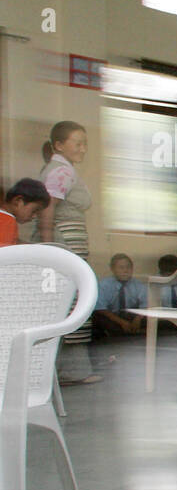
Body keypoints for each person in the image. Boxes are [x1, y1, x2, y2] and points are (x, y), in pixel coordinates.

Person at [38, 120, 101, 385]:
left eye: (84, 143)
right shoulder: (61, 171)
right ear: (59, 145)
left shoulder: (63, 169)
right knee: (73, 302)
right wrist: (50, 248)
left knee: (70, 301)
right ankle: (71, 370)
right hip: (66, 241)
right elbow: (49, 208)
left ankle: (66, 369)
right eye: (78, 143)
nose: (83, 148)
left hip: (69, 241)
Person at [92, 253, 147, 336]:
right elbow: (101, 308)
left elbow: (146, 304)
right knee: (100, 319)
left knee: (151, 321)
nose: (125, 271)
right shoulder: (104, 285)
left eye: (128, 267)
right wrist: (122, 322)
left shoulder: (138, 284)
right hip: (112, 316)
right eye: (121, 268)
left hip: (131, 315)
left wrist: (138, 318)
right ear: (113, 269)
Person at [1, 178, 50, 246]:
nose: (34, 216)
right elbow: (6, 251)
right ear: (18, 201)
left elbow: (14, 241)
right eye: (34, 211)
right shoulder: (7, 220)